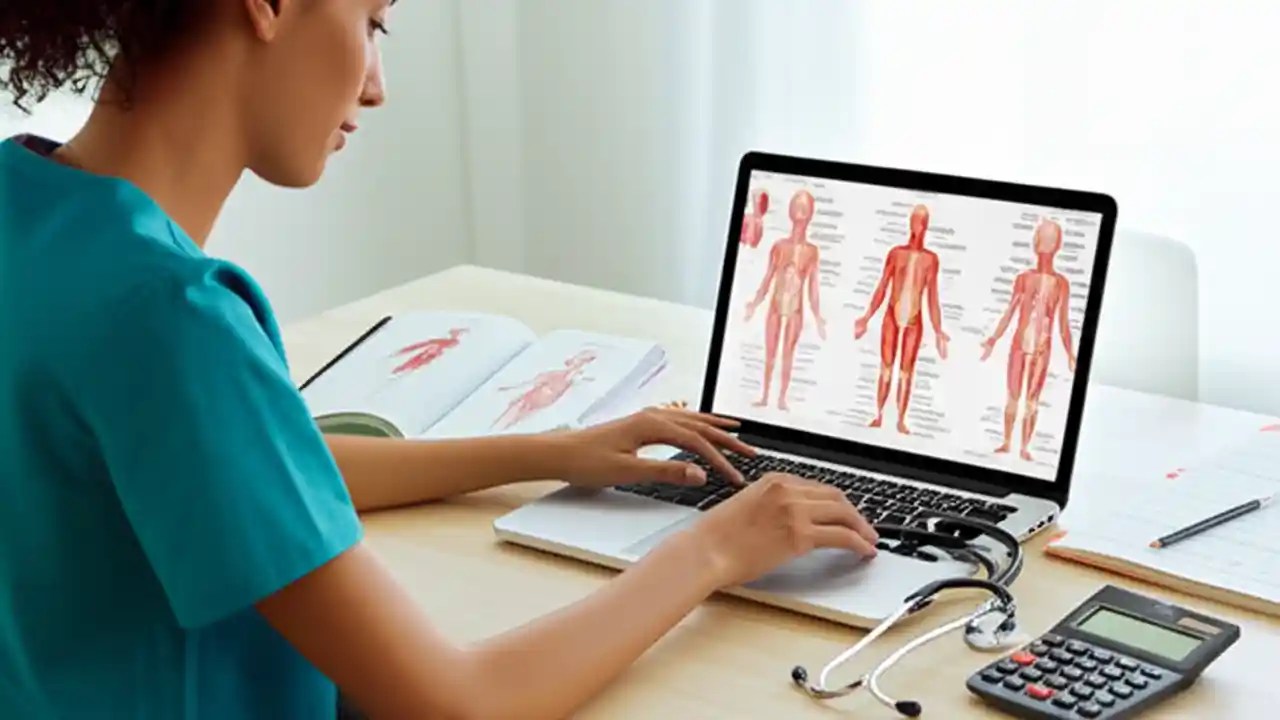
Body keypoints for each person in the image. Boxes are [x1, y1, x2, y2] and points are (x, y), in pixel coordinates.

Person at [0, 2, 879, 719]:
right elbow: (456, 704)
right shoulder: (172, 319)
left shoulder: (26, 210)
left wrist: (549, 452)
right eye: (373, 22)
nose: (376, 86)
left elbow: (245, 468)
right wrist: (712, 549)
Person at [980, 218, 1077, 461]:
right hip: (1019, 346)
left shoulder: (1061, 284)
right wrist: (993, 339)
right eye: (1041, 238)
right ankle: (1007, 442)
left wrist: (1071, 354)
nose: (1043, 244)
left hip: (1042, 349)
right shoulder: (1024, 278)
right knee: (1013, 396)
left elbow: (1063, 324)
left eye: (1048, 239)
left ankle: (1023, 446)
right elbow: (1010, 311)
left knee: (1032, 400)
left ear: (1056, 245)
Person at [853, 204, 949, 434]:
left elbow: (932, 297)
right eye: (916, 220)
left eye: (923, 222)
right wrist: (866, 317)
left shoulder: (931, 260)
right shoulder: (896, 254)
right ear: (910, 222)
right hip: (892, 315)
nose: (919, 226)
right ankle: (879, 414)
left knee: (906, 372)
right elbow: (882, 286)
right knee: (886, 367)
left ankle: (900, 419)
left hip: (915, 319)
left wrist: (938, 330)